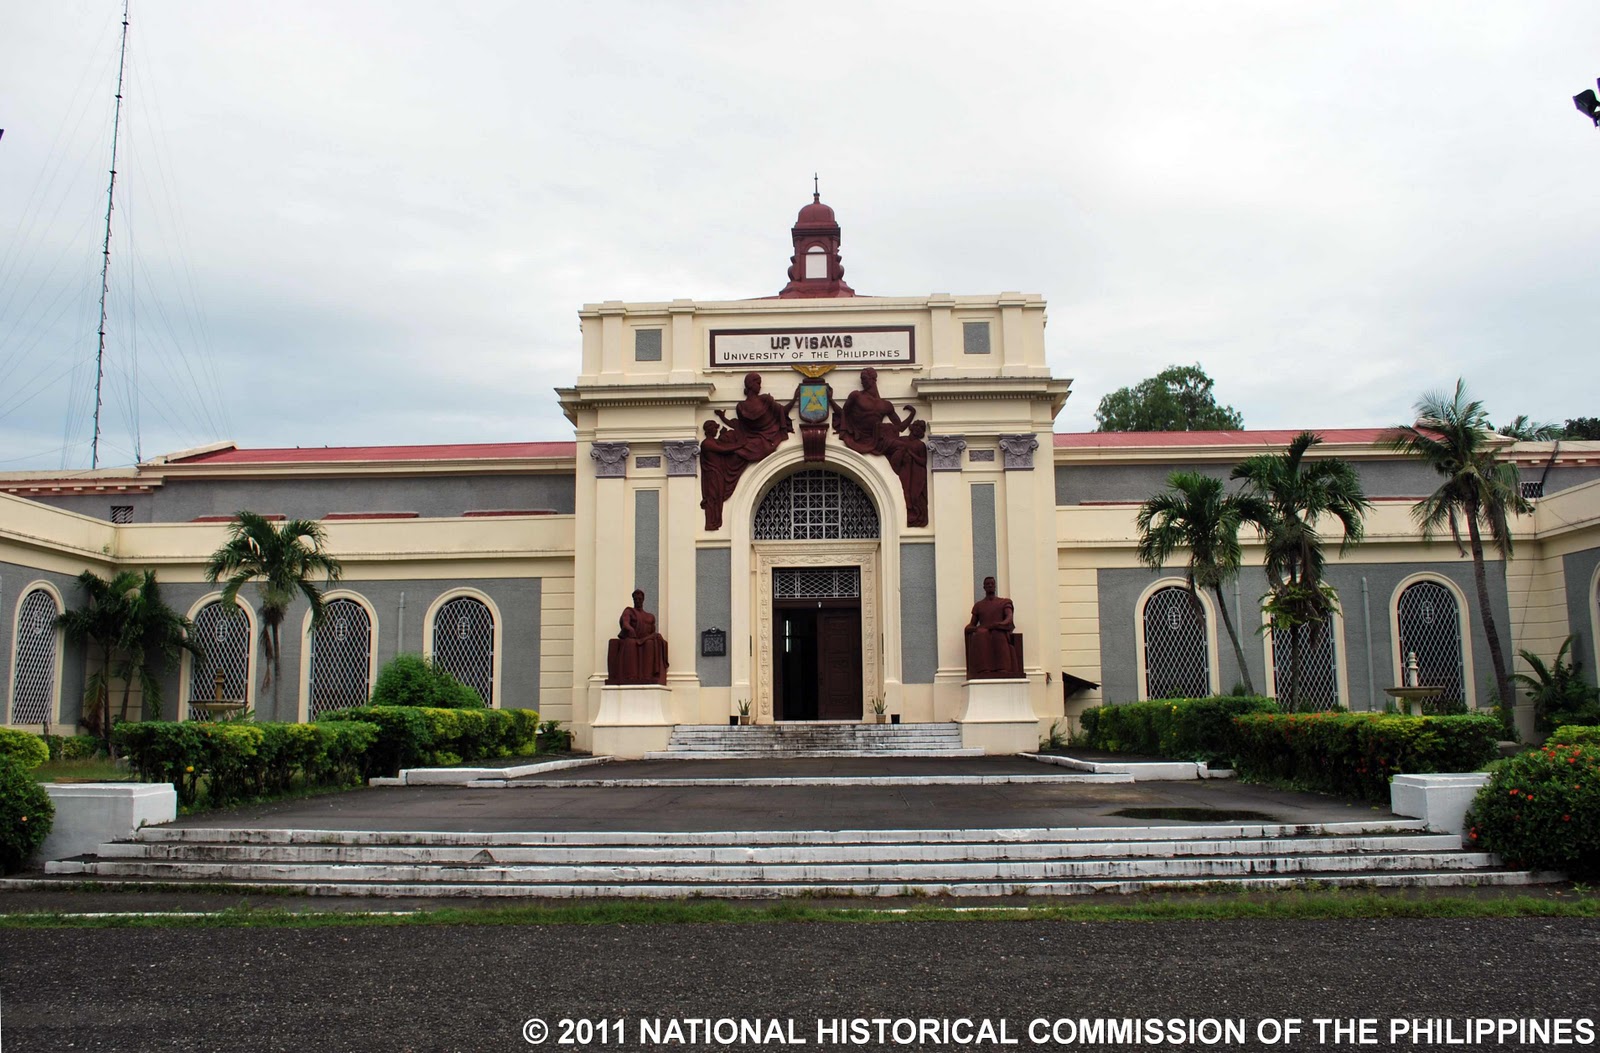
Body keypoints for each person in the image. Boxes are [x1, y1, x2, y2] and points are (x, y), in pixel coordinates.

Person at [699, 372, 794, 529]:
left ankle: (713, 519)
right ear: (750, 385)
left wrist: (796, 398)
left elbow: (783, 412)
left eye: (760, 382)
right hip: (742, 448)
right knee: (715, 494)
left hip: (762, 441)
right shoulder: (741, 408)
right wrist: (725, 422)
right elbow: (738, 428)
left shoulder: (767, 400)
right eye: (757, 382)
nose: (760, 385)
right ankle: (713, 521)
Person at [835, 367, 914, 456]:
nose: (862, 382)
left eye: (864, 379)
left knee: (903, 447)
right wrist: (830, 400)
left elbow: (900, 427)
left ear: (873, 378)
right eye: (861, 379)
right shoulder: (856, 396)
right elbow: (843, 413)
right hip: (857, 438)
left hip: (876, 440)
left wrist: (912, 414)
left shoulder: (886, 405)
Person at [965, 576, 1023, 679]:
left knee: (997, 634)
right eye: (987, 584)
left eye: (992, 583)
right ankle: (984, 669)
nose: (990, 585)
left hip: (999, 630)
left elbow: (1009, 617)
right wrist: (973, 629)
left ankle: (1003, 668)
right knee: (982, 634)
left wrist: (999, 624)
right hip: (984, 631)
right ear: (984, 587)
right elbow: (972, 624)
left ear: (995, 586)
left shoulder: (1003, 602)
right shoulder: (979, 605)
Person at [606, 589, 669, 685]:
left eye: (640, 599)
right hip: (632, 638)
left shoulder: (650, 616)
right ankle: (631, 676)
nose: (638, 601)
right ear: (633, 600)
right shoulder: (629, 611)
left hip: (646, 639)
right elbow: (625, 623)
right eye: (636, 599)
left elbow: (652, 631)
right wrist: (631, 630)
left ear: (643, 600)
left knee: (650, 643)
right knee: (630, 643)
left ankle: (647, 676)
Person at [887, 419, 929, 527]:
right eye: (917, 426)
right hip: (905, 469)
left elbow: (923, 461)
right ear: (912, 427)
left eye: (921, 428)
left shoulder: (920, 445)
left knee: (916, 494)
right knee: (905, 491)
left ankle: (918, 515)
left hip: (917, 473)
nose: (918, 429)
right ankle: (910, 513)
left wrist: (911, 453)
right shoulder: (902, 440)